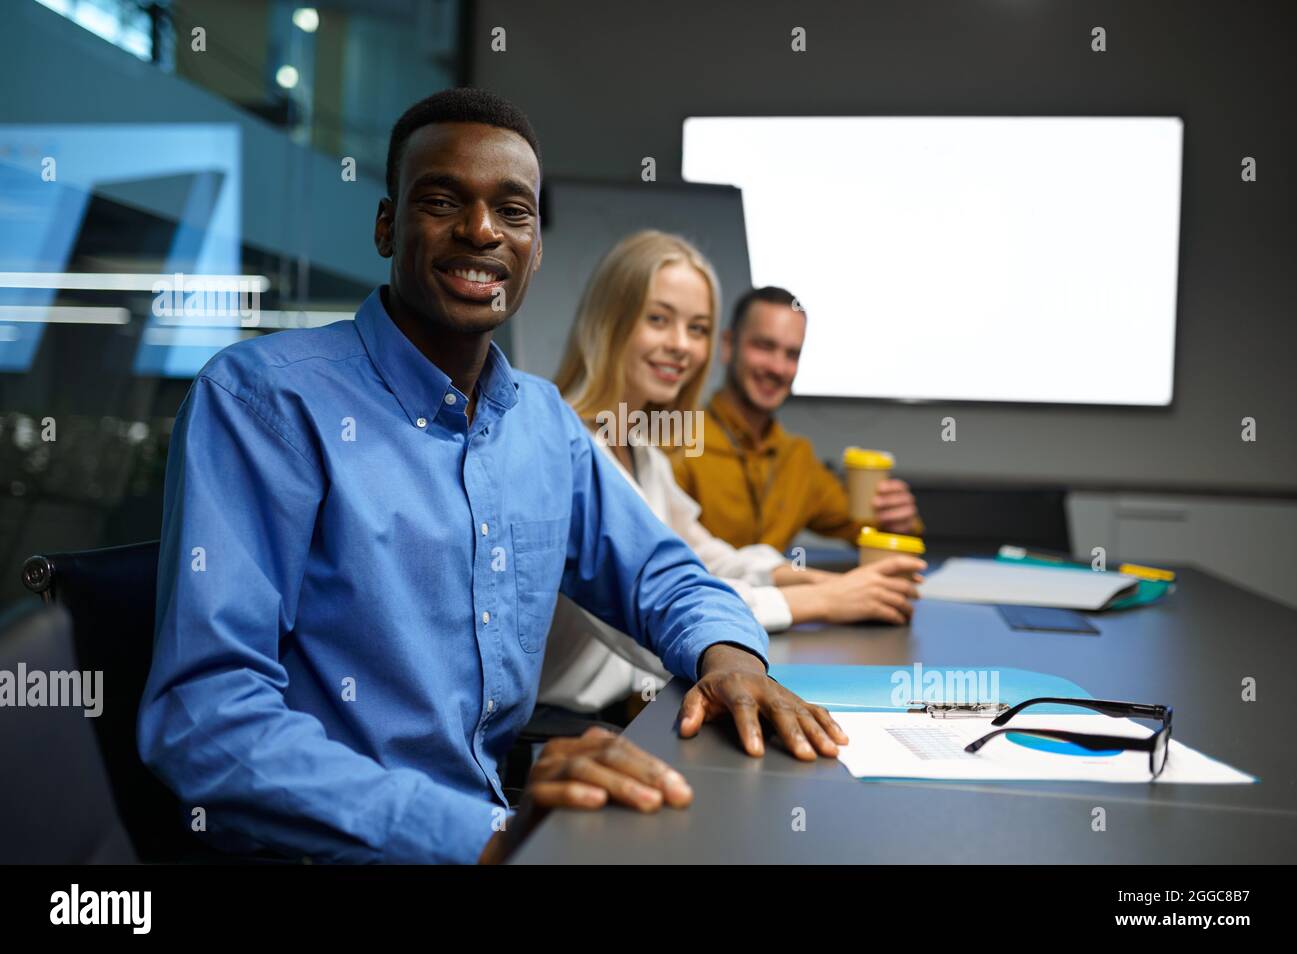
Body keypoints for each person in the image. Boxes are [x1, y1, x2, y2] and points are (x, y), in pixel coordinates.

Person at [137, 89, 847, 867]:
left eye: (513, 211)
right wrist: (477, 837)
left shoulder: (542, 423)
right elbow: (204, 719)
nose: (481, 230)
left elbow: (666, 576)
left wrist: (732, 661)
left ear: (537, 247)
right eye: (442, 200)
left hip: (506, 825)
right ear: (386, 226)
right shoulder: (265, 400)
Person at [540, 232, 925, 714]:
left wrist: (823, 584)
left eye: (696, 328)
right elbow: (653, 610)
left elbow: (704, 561)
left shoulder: (642, 451)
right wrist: (827, 601)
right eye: (659, 319)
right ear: (610, 321)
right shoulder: (564, 447)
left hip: (641, 705)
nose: (681, 346)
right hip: (583, 724)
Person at [672, 286, 923, 552]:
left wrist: (897, 521)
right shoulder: (677, 444)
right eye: (764, 346)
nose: (778, 368)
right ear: (727, 345)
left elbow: (864, 530)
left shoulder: (796, 459)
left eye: (792, 354)